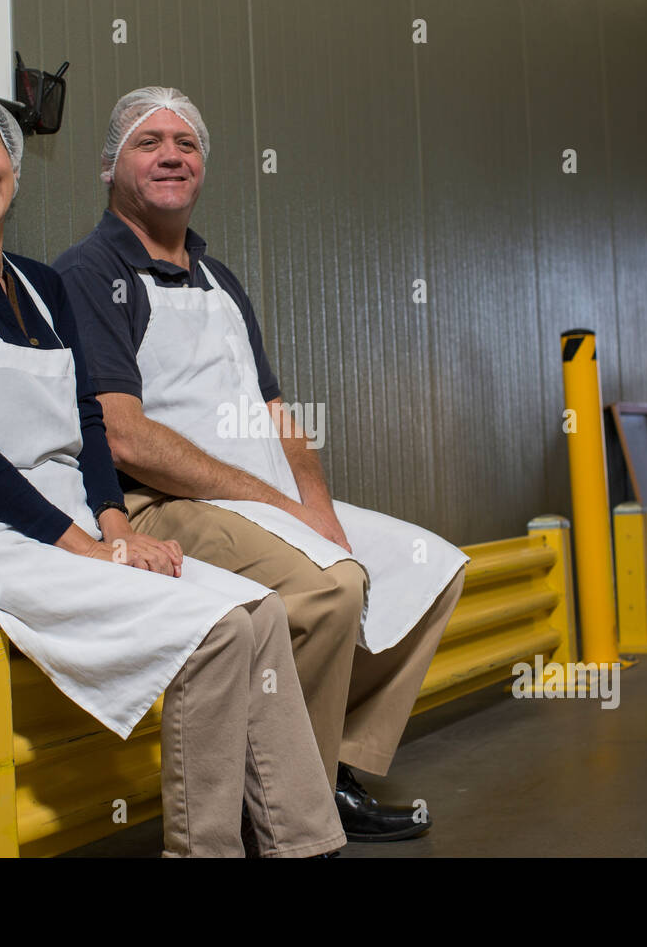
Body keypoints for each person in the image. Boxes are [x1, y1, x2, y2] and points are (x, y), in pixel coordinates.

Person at [0, 86, 343, 858]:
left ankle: (305, 845)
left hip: (77, 520)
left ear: (13, 164)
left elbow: (89, 424)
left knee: (259, 611)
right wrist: (83, 546)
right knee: (218, 628)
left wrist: (117, 523)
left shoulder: (42, 283)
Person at [53, 86, 469, 843]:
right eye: (150, 142)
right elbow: (124, 438)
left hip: (261, 501)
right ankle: (281, 809)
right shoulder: (89, 273)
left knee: (430, 566)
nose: (172, 154)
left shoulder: (220, 280)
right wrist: (279, 510)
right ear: (112, 164)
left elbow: (280, 414)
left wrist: (319, 507)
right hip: (161, 505)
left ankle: (326, 772)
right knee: (332, 589)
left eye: (187, 142)